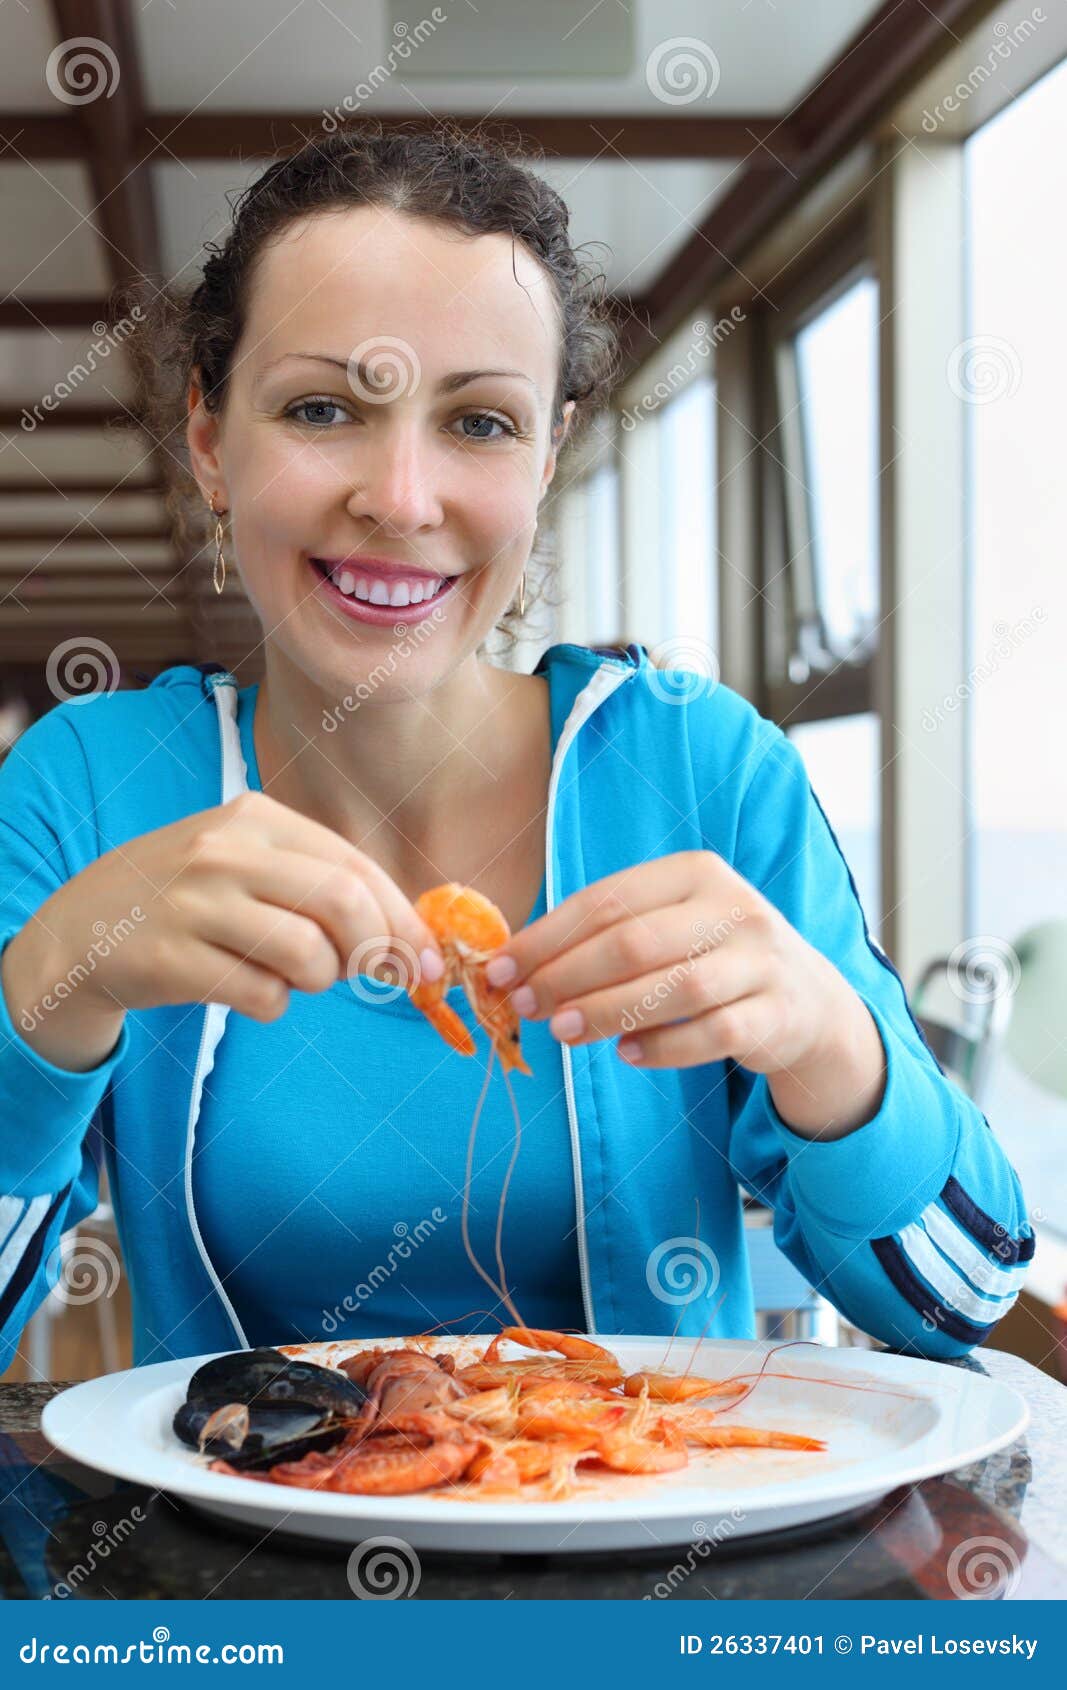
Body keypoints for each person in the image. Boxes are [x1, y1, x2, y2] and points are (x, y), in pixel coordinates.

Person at [0, 125, 1031, 1373]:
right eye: (321, 407)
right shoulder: (86, 789)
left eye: (479, 423)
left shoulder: (703, 772)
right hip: (224, 1562)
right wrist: (39, 999)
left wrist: (829, 1045)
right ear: (212, 442)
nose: (399, 496)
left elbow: (963, 1294)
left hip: (664, 1550)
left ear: (548, 459)